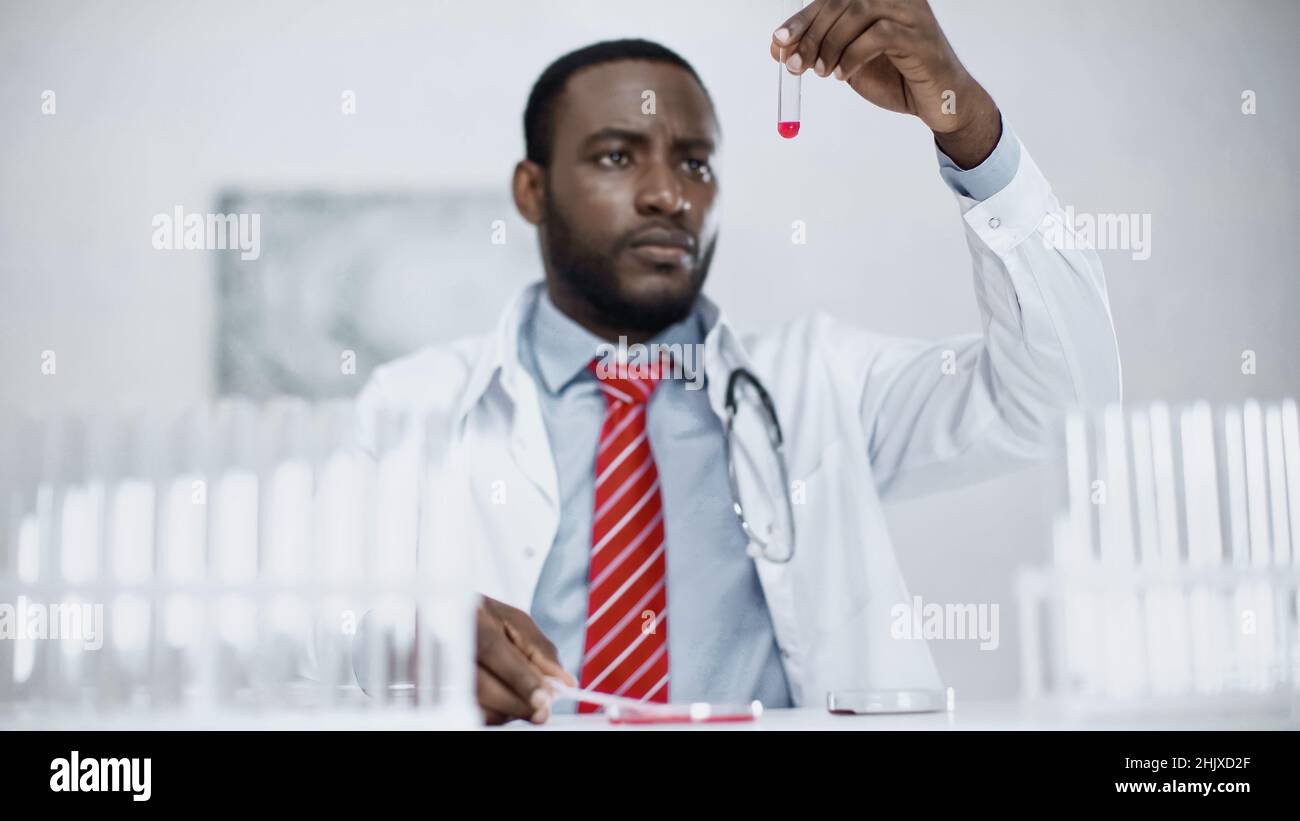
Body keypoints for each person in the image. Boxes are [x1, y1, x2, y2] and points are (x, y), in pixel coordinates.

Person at [357, 0, 1122, 725]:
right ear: (533, 190)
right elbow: (313, 639)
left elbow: (1066, 401)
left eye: (695, 164)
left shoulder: (819, 381)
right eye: (617, 155)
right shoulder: (411, 406)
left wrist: (967, 121)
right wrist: (408, 646)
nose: (666, 193)